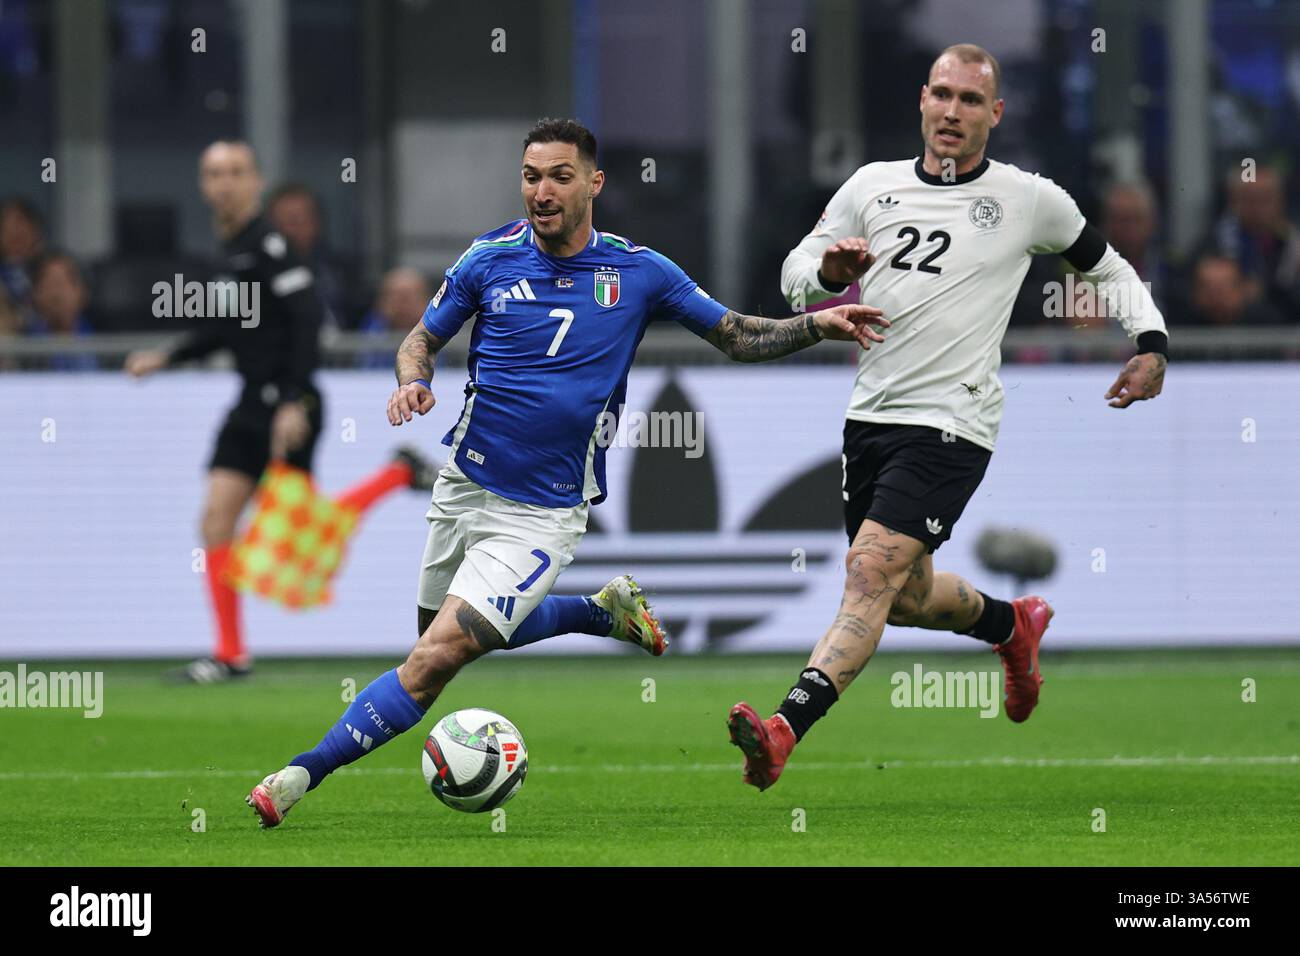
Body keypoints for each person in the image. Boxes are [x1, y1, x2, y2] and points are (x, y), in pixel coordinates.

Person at [244, 117, 888, 828]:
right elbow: (421, 337)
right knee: (436, 646)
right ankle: (595, 610)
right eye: (530, 176)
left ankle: (298, 776)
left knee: (433, 659)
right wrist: (412, 379)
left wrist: (816, 324)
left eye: (558, 176)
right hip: (463, 485)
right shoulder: (488, 259)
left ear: (593, 183)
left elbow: (735, 334)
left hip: (541, 513)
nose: (541, 191)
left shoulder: (640, 271)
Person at [727, 43, 1170, 791]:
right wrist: (830, 273)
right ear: (923, 103)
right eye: (942, 95)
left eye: (971, 100)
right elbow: (795, 273)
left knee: (867, 572)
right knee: (902, 597)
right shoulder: (872, 186)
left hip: (954, 423)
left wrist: (1151, 342)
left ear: (995, 115)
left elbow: (1108, 267)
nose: (953, 112)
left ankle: (783, 729)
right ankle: (1010, 624)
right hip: (872, 417)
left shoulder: (1030, 198)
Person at [124, 141, 434, 684]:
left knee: (297, 545)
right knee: (216, 521)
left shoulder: (272, 246)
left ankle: (398, 473)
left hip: (290, 403)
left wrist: (293, 398)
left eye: (235, 172)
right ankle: (230, 654)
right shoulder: (228, 252)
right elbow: (222, 327)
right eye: (214, 173)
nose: (224, 183)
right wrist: (166, 357)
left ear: (255, 182)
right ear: (203, 184)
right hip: (249, 403)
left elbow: (307, 319)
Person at [267, 183, 352, 330]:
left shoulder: (340, 273)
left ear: (315, 224)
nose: (289, 231)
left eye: (296, 222)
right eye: (281, 223)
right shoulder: (257, 273)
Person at [28, 251, 98, 371]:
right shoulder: (22, 346)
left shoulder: (102, 340)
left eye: (63, 283)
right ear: (35, 294)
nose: (56, 294)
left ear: (83, 292)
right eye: (49, 284)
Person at [356, 267, 430, 367]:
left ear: (426, 301)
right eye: (395, 298)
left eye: (408, 298)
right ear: (381, 302)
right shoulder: (367, 332)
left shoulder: (442, 331)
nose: (402, 306)